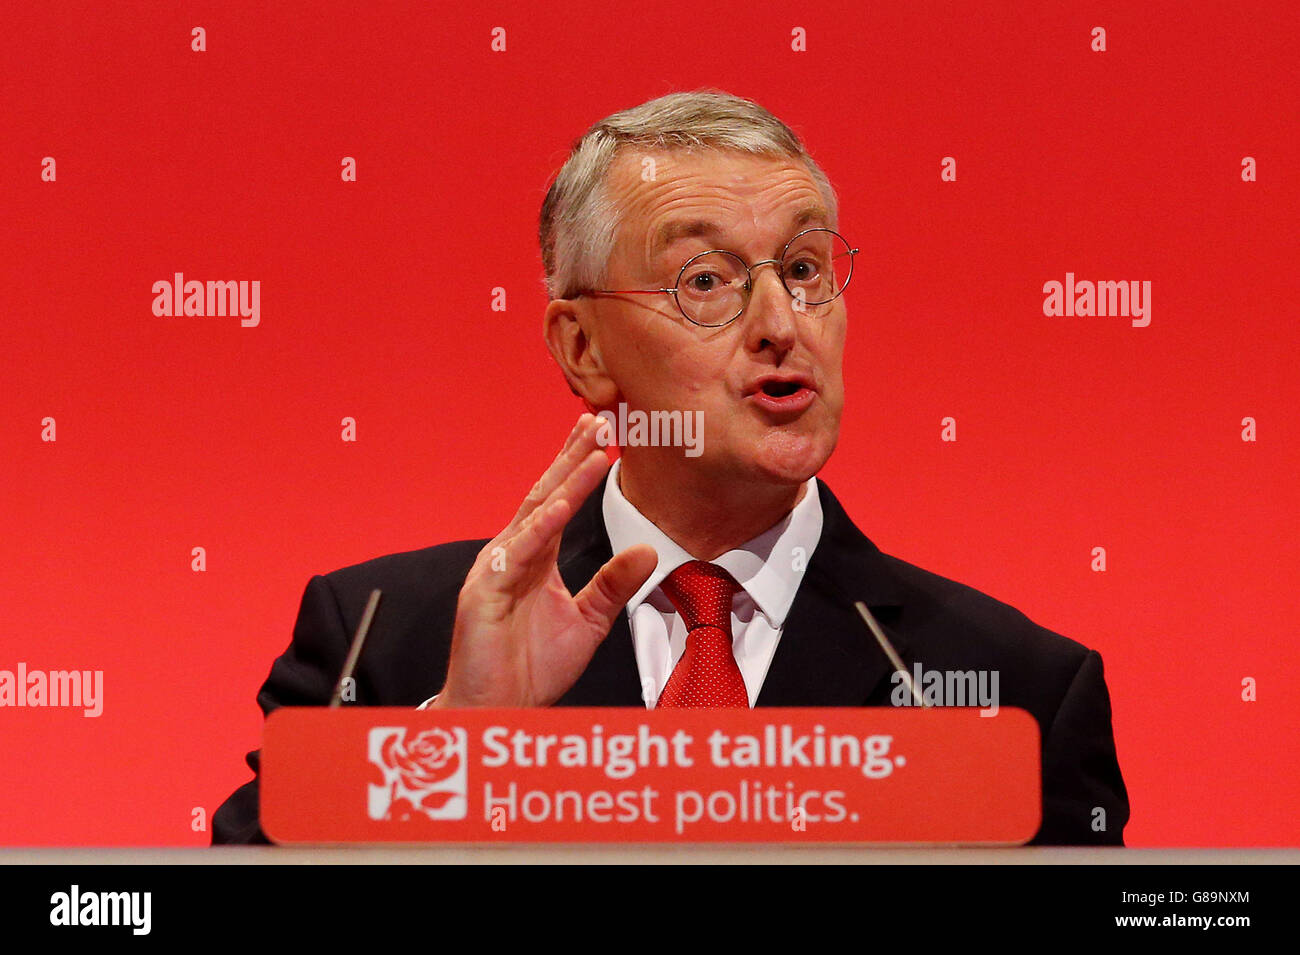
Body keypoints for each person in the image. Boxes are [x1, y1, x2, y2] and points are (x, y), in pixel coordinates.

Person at [213, 90, 1129, 845]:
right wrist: (462, 741)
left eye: (805, 268)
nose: (782, 321)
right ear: (582, 348)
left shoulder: (1017, 693)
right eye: (705, 280)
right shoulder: (380, 643)